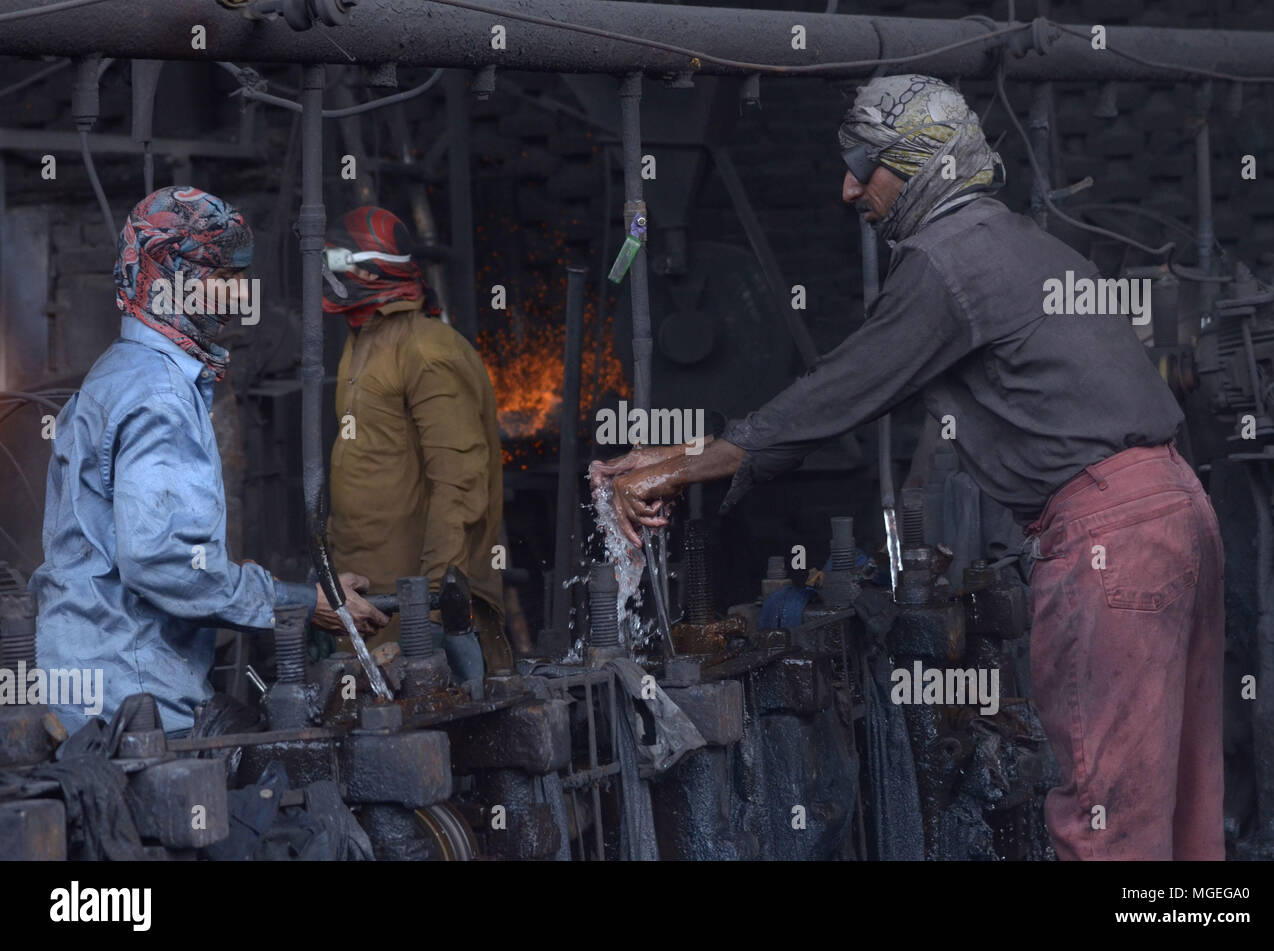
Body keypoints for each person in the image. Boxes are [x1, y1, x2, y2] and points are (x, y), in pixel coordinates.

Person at [597, 76, 1224, 861]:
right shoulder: (1018, 240)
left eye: (867, 166)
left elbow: (841, 392)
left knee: (1107, 820)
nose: (849, 188)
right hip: (1178, 515)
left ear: (922, 164)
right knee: (1186, 812)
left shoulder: (945, 258)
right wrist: (688, 452)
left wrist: (691, 462)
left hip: (1113, 539)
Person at [29, 186, 386, 736]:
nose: (242, 295)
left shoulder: (119, 371)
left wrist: (303, 594)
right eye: (223, 279)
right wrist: (295, 603)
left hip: (88, 689)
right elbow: (163, 563)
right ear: (170, 283)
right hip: (131, 700)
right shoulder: (159, 397)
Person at [322, 206, 513, 673]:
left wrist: (430, 610)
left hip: (414, 616)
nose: (324, 271)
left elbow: (459, 485)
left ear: (368, 270)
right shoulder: (363, 341)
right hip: (368, 605)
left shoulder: (427, 351)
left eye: (335, 260)